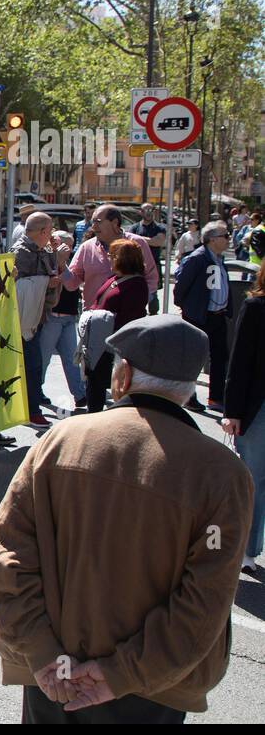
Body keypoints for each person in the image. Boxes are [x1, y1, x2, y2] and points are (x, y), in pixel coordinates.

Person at [0, 315, 252, 724]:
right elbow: (207, 598)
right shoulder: (223, 474)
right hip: (157, 687)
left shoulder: (61, 440)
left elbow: (7, 553)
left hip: (53, 678)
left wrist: (42, 654)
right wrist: (120, 673)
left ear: (122, 376)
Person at [223, 260, 265, 576]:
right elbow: (238, 362)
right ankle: (248, 551)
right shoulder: (255, 307)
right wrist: (232, 412)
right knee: (254, 480)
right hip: (257, 408)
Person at [173, 220, 233, 413]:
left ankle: (216, 398)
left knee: (219, 356)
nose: (228, 239)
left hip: (218, 316)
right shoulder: (197, 258)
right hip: (199, 316)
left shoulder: (219, 258)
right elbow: (180, 287)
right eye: (225, 236)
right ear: (212, 239)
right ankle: (189, 397)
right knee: (195, 357)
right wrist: (189, 309)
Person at [83, 239, 149, 413]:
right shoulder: (114, 278)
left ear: (124, 259)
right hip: (99, 341)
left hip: (115, 345)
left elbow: (129, 319)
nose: (108, 259)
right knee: (94, 383)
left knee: (113, 386)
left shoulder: (137, 285)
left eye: (112, 256)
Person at [11, 213, 63, 428]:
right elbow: (15, 285)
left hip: (37, 317)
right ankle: (31, 410)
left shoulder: (44, 249)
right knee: (31, 366)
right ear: (42, 232)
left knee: (34, 365)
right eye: (49, 230)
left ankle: (29, 408)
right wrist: (45, 283)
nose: (51, 234)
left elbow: (50, 271)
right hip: (21, 321)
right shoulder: (20, 253)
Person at [61, 204, 157, 311]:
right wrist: (61, 264)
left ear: (115, 223)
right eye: (93, 222)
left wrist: (139, 300)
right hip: (95, 316)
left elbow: (151, 277)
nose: (93, 227)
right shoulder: (86, 248)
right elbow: (71, 284)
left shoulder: (137, 244)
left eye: (98, 221)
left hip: (128, 317)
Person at [38, 230, 87, 414]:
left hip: (69, 316)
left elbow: (72, 283)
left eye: (71, 244)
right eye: (65, 244)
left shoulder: (72, 261)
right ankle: (36, 391)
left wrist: (63, 263)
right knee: (43, 359)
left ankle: (80, 394)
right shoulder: (47, 259)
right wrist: (57, 261)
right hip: (53, 317)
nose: (69, 248)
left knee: (72, 359)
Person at [129, 203, 167, 314]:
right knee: (136, 291)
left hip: (154, 264)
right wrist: (149, 240)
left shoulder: (160, 227)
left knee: (153, 293)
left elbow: (158, 241)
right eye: (146, 210)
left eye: (151, 209)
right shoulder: (135, 227)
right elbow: (129, 242)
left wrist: (138, 239)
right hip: (137, 265)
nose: (149, 212)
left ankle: (153, 316)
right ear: (140, 212)